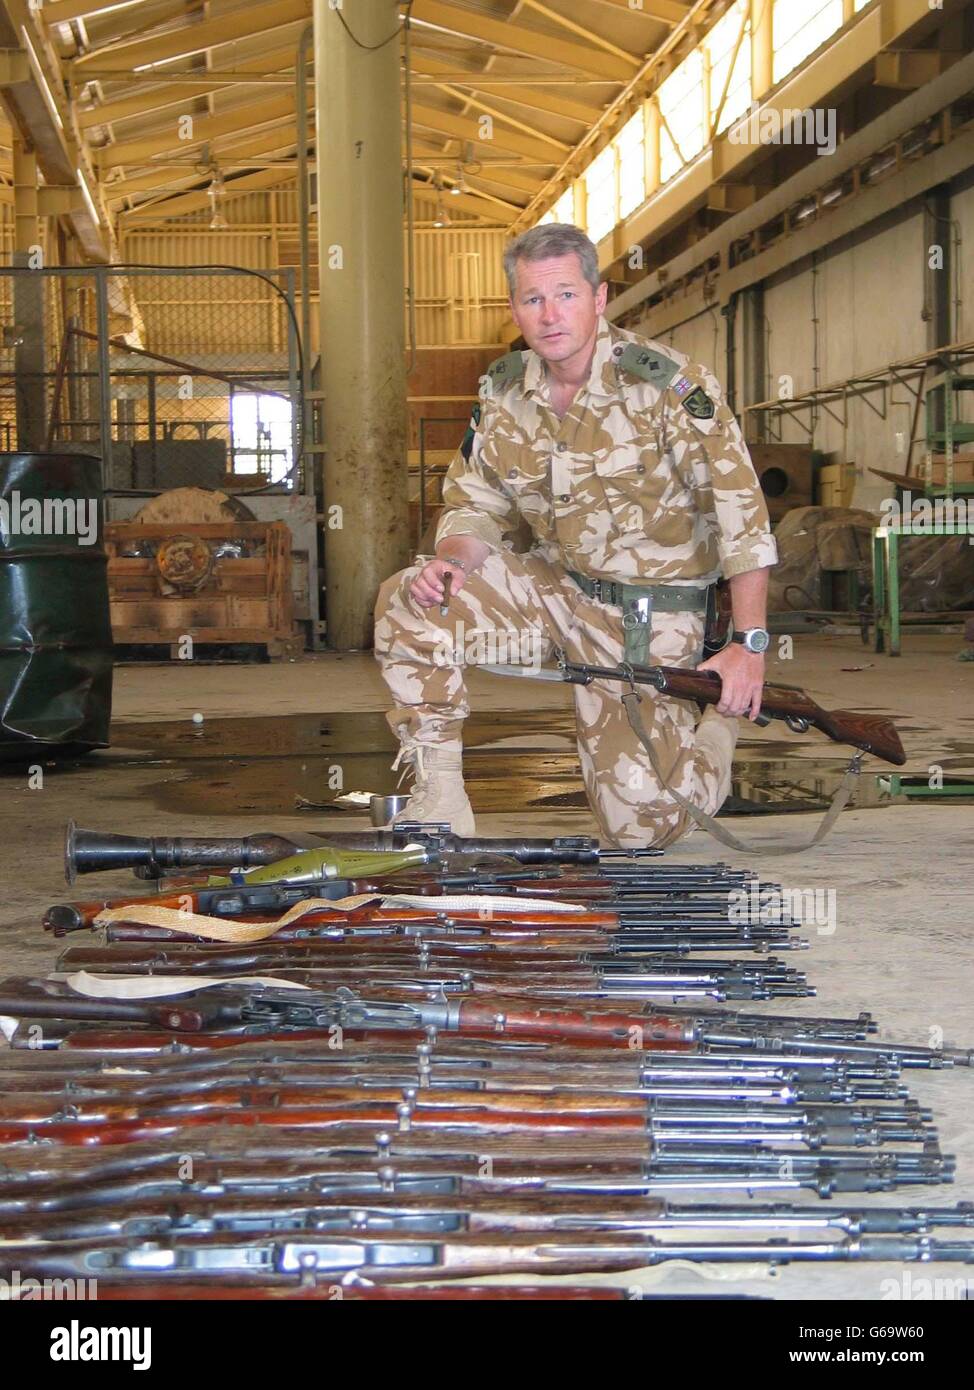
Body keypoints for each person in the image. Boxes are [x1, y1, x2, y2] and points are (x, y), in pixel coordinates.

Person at [373, 223, 777, 848]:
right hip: (556, 594)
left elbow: (741, 518)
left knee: (640, 831)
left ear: (599, 297)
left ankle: (721, 725)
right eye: (533, 299)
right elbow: (475, 503)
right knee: (413, 597)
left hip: (648, 616)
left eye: (565, 294)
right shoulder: (504, 392)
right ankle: (438, 798)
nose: (550, 314)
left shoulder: (668, 387)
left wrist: (748, 647)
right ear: (515, 309)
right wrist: (452, 562)